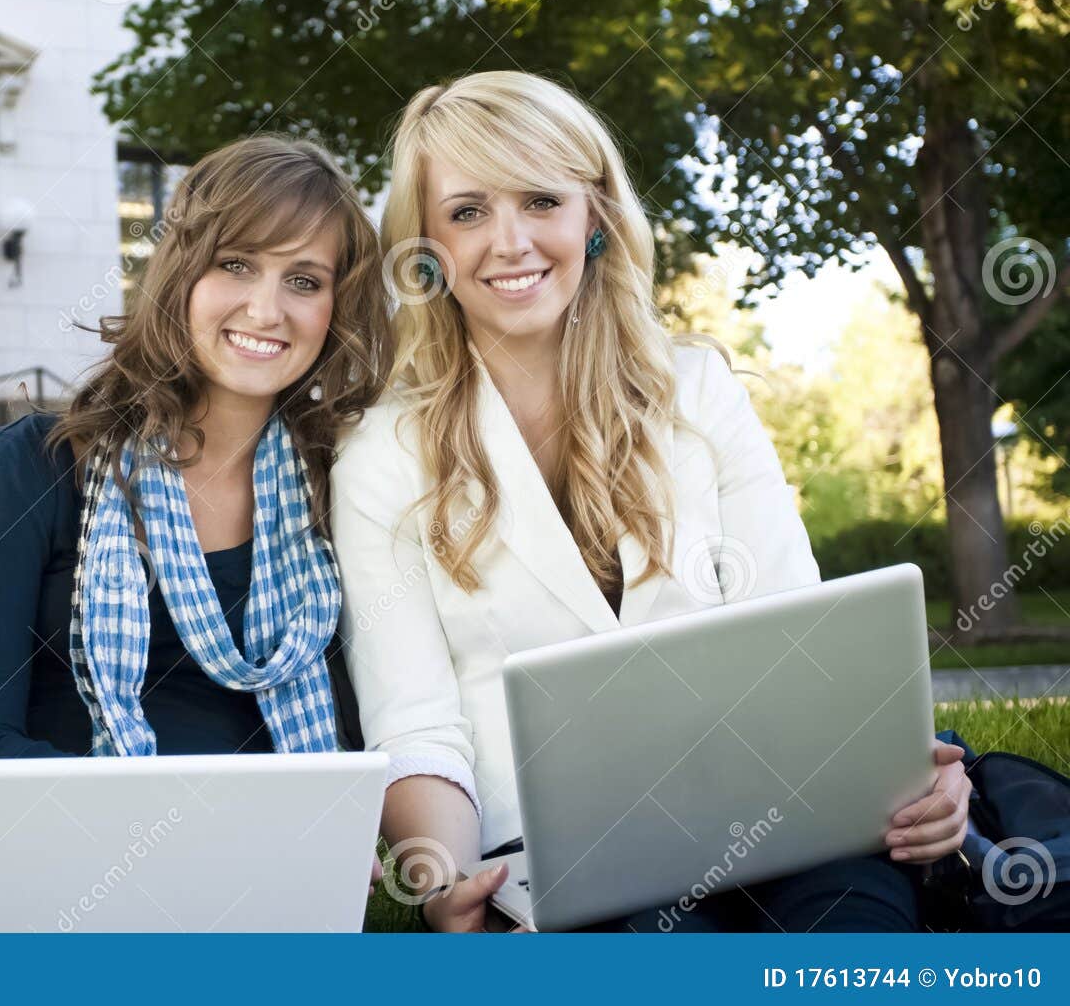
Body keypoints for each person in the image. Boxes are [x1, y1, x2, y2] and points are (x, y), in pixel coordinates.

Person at [330, 71, 971, 932]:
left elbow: (799, 639)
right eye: (468, 212)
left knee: (856, 936)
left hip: (780, 814)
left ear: (593, 216)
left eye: (541, 200)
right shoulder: (382, 453)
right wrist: (446, 875)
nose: (510, 241)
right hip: (567, 858)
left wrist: (908, 773)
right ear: (425, 247)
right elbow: (416, 722)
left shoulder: (697, 388)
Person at [0, 135, 392, 931]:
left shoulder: (344, 483)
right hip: (29, 857)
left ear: (334, 308)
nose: (267, 308)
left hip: (248, 880)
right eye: (237, 264)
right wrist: (172, 838)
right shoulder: (39, 466)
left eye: (304, 280)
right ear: (181, 271)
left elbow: (360, 739)